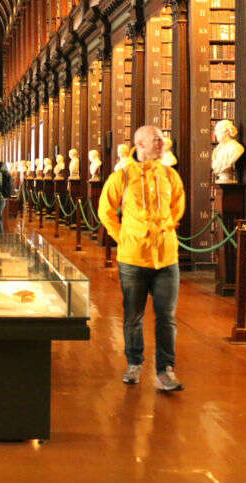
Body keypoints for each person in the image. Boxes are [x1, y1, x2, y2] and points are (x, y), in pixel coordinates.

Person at [98, 125, 186, 392]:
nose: (162, 143)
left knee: (167, 317)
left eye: (162, 139)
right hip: (133, 258)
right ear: (140, 143)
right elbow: (106, 211)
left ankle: (165, 371)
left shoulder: (171, 176)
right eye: (157, 140)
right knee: (133, 316)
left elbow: (178, 207)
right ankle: (134, 363)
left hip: (166, 259)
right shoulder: (122, 177)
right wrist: (123, 236)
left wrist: (167, 228)